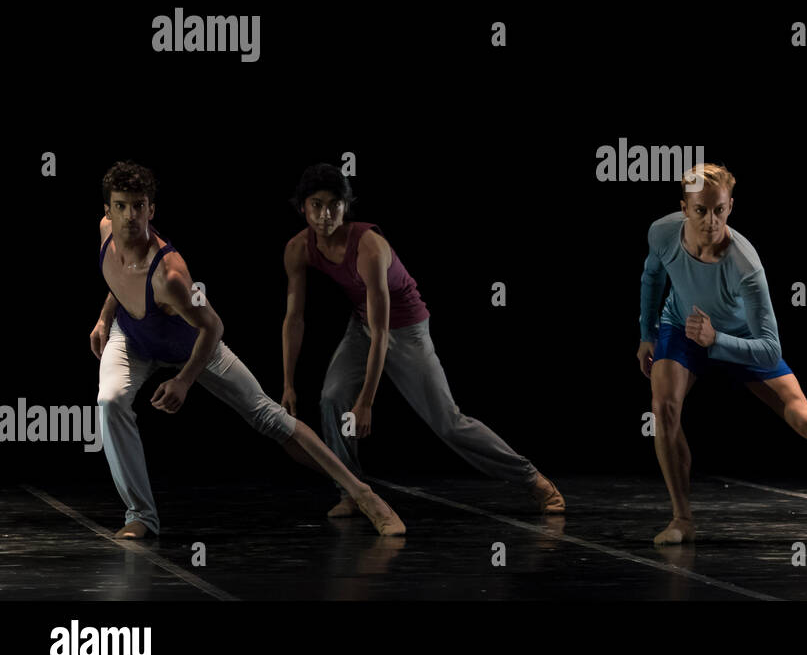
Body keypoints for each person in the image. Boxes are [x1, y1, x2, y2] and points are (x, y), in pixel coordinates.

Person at [92, 161, 404, 539]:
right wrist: (104, 320)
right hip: (132, 337)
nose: (130, 216)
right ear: (107, 211)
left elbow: (214, 326)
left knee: (269, 417)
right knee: (110, 400)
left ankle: (364, 494)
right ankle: (140, 515)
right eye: (121, 206)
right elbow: (119, 277)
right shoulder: (105, 232)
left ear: (151, 210)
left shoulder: (171, 275)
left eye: (138, 206)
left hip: (193, 347)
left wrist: (184, 381)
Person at [638, 163, 807, 545]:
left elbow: (769, 347)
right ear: (684, 208)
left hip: (739, 338)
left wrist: (717, 341)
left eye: (719, 210)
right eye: (700, 210)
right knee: (664, 408)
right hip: (683, 327)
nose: (711, 220)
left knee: (805, 419)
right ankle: (682, 519)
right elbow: (652, 276)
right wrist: (648, 333)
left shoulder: (745, 263)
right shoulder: (661, 232)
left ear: (730, 207)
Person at [281, 163, 564, 517]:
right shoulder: (298, 249)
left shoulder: (370, 247)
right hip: (361, 326)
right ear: (302, 207)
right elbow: (295, 318)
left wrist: (366, 401)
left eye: (334, 204)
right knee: (332, 398)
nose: (325, 214)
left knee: (448, 421)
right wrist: (289, 383)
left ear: (346, 206)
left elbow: (383, 332)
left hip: (406, 329)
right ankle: (351, 490)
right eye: (316, 204)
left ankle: (533, 480)